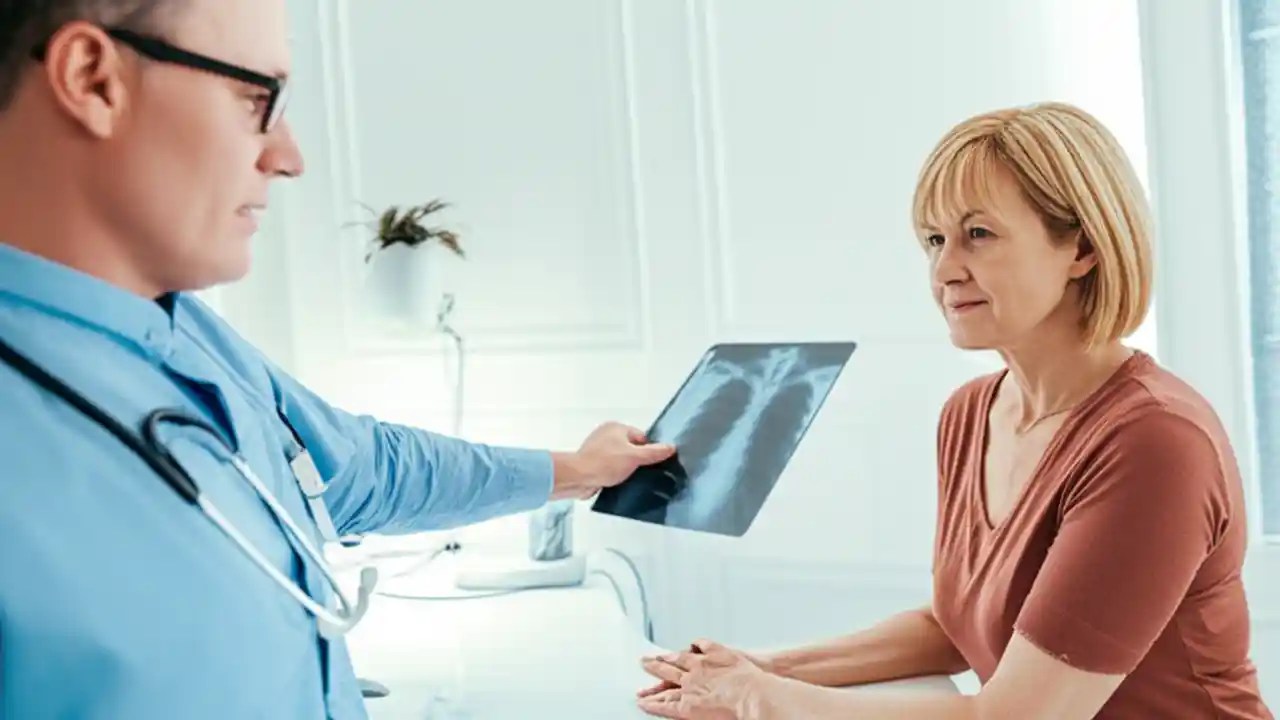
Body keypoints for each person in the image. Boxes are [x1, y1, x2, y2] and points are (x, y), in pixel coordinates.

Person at [0, 2, 675, 718]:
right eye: (258, 98)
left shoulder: (183, 330)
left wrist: (576, 470)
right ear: (93, 79)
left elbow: (358, 468)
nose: (289, 156)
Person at [635, 102, 1275, 719]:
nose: (943, 269)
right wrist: (759, 666)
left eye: (978, 234)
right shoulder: (972, 413)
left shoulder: (1155, 443)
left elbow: (1017, 718)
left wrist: (759, 700)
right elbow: (952, 624)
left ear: (1082, 250)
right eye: (934, 239)